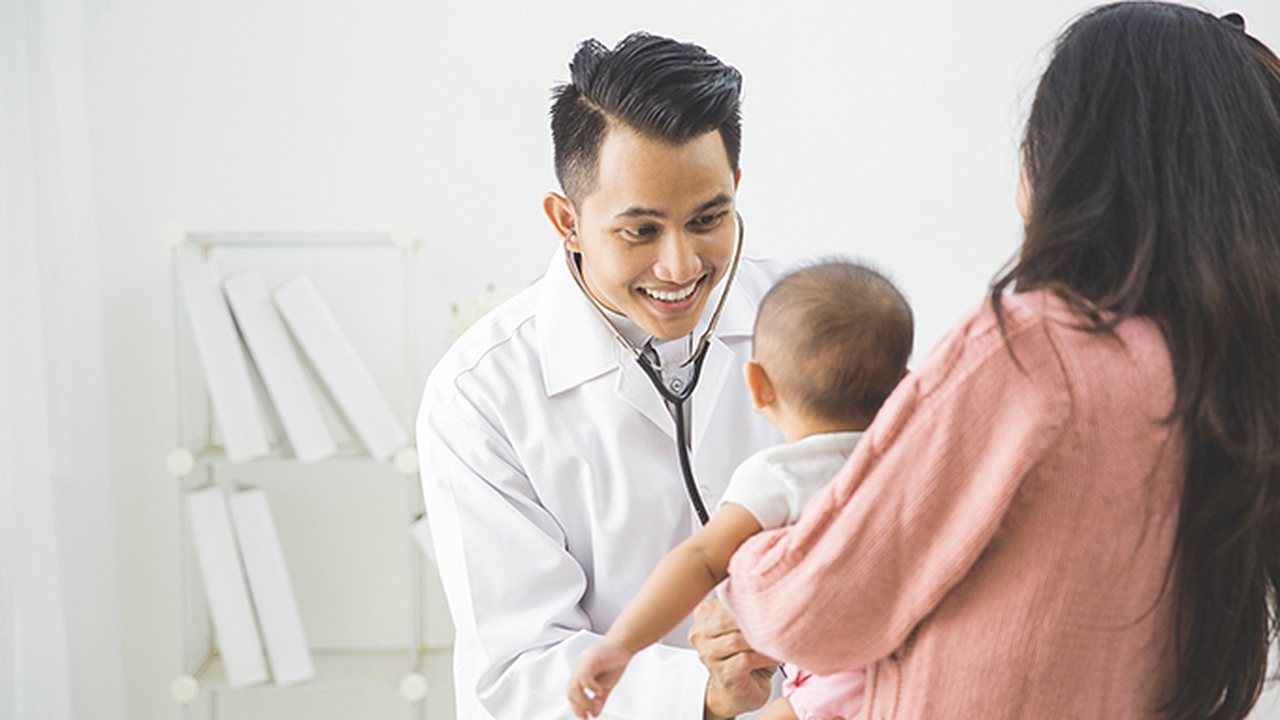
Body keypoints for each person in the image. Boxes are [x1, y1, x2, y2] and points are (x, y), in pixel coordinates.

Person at [717, 3, 1280, 719]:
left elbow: (815, 611)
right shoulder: (1222, 377)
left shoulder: (1032, 352)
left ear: (1074, 154)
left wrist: (747, 563)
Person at [417, 32, 788, 720]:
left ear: (735, 191)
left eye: (708, 219)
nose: (680, 266)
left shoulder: (813, 322)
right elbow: (520, 667)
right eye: (640, 231)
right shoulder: (479, 395)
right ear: (568, 221)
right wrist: (705, 695)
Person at [567, 260, 913, 720]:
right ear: (905, 385)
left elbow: (702, 560)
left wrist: (620, 645)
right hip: (919, 672)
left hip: (833, 686)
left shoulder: (781, 475)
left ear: (758, 385)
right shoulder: (920, 465)